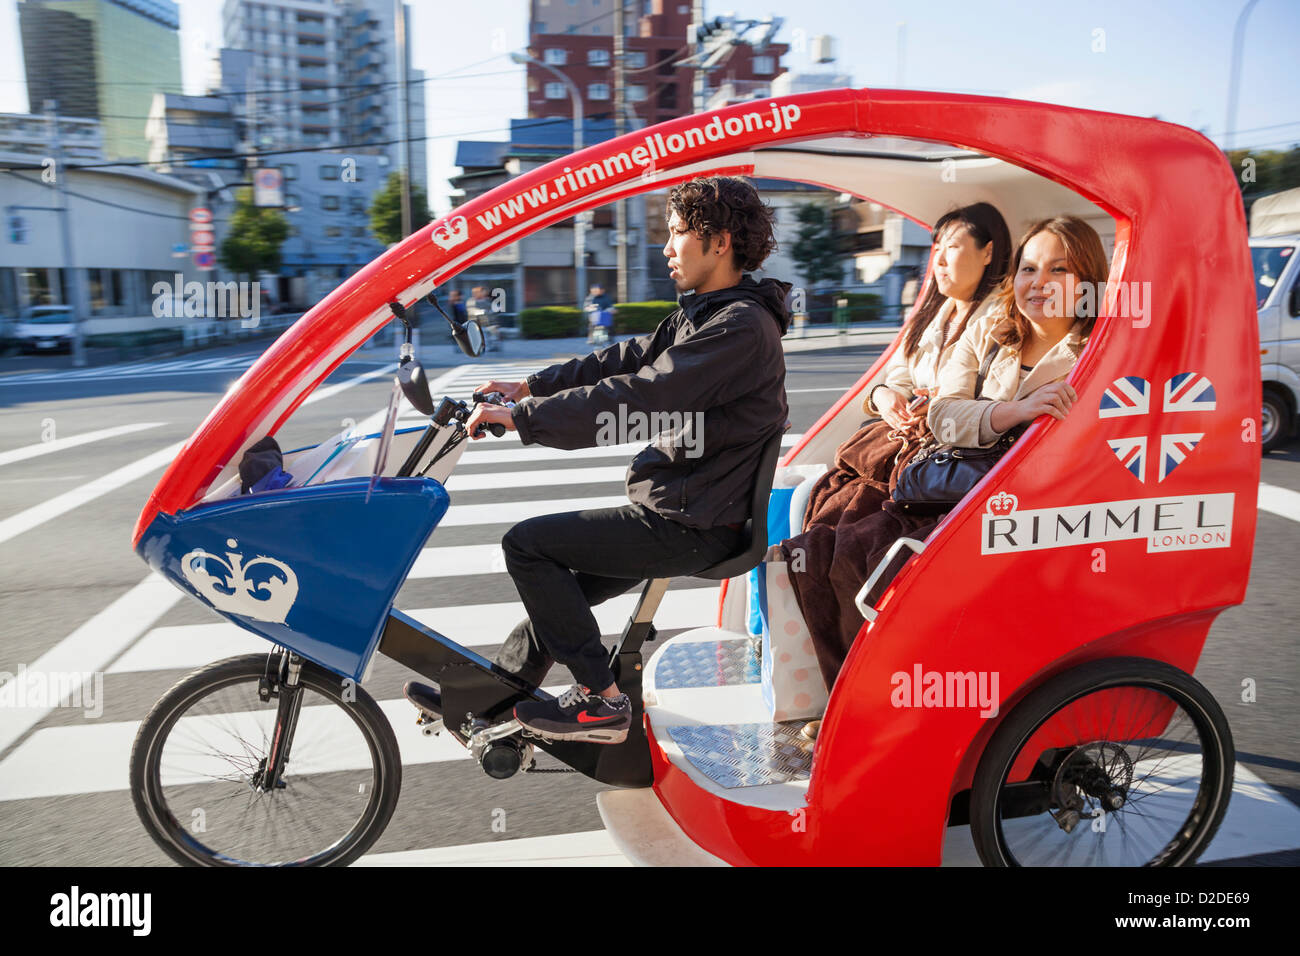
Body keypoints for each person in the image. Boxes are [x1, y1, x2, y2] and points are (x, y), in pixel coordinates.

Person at [405, 176, 789, 744]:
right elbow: (620, 360)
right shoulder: (707, 315)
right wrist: (528, 387)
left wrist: (527, 420)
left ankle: (600, 702)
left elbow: (643, 393)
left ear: (719, 241)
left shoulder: (739, 327)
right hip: (686, 508)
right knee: (562, 595)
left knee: (528, 546)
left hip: (695, 522)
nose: (666, 247)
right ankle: (495, 696)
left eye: (678, 233)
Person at [780, 215, 1109, 739]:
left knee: (887, 573)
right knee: (824, 547)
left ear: (1088, 282)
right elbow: (943, 413)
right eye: (1028, 268)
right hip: (947, 490)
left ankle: (888, 713)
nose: (1037, 282)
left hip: (1022, 515)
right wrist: (1012, 412)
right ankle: (851, 705)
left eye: (1059, 269)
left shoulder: (1099, 354)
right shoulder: (990, 326)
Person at [799, 203, 1012, 536]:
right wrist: (885, 396)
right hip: (904, 447)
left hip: (943, 457)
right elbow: (898, 376)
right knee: (827, 497)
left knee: (853, 521)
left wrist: (936, 407)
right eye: (936, 249)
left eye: (952, 248)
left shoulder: (1001, 321)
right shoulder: (931, 314)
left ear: (988, 253)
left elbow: (995, 398)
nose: (939, 261)